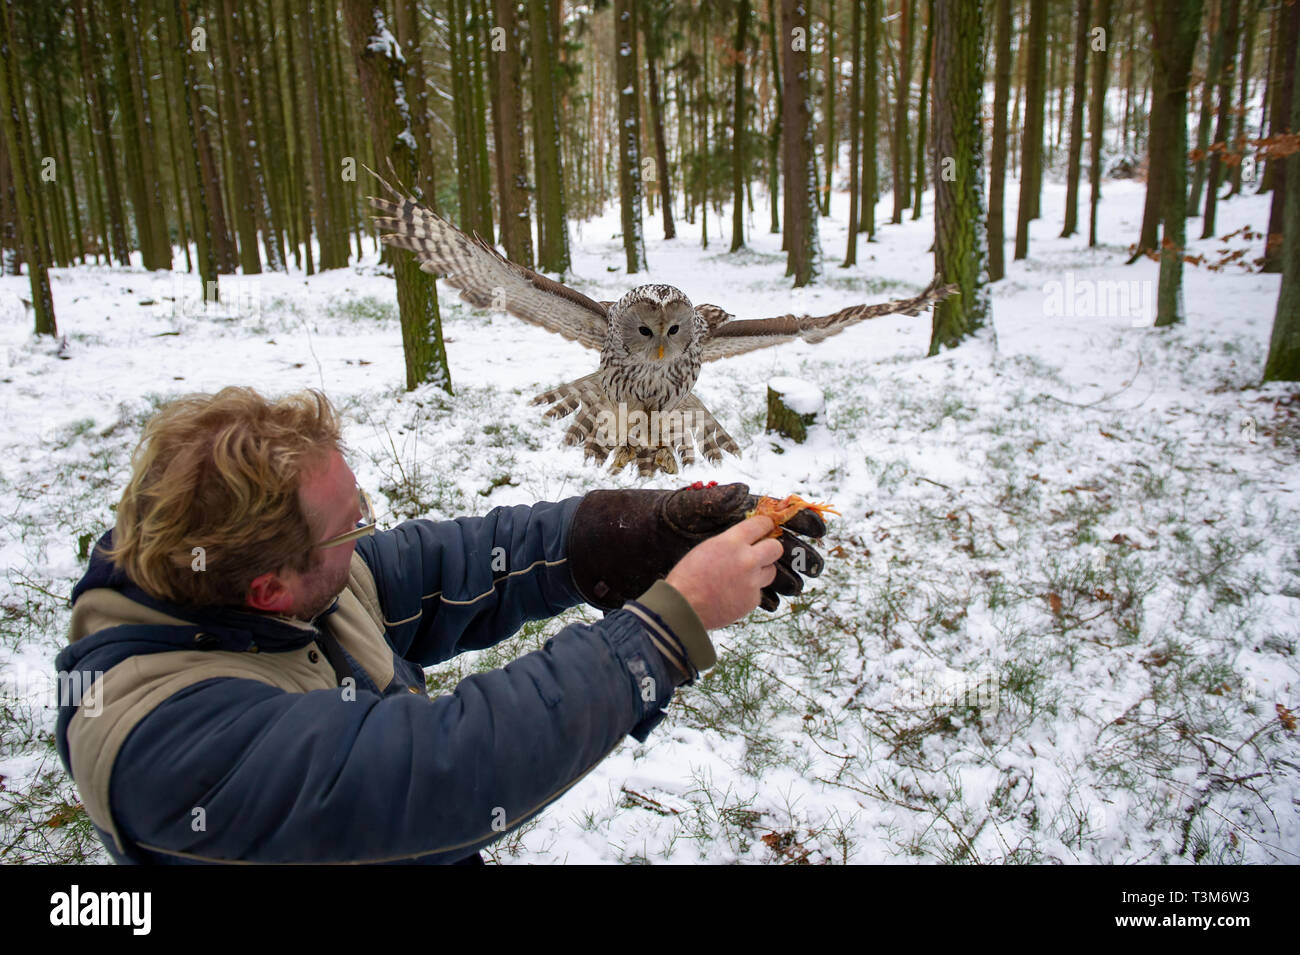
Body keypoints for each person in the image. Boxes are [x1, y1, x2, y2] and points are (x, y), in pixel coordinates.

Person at [54, 386, 825, 864]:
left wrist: (629, 534)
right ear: (267, 588)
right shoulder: (168, 749)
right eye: (348, 525)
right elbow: (453, 767)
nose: (367, 532)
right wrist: (668, 623)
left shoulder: (278, 586)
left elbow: (457, 564)